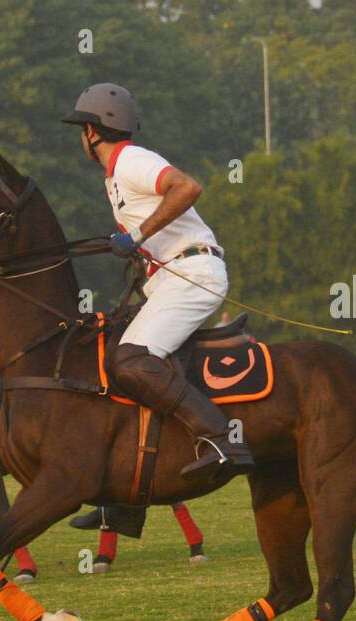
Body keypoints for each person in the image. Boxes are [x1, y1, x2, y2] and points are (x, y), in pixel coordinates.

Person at [62, 83, 253, 480]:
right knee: (110, 352)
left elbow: (187, 187)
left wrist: (136, 236)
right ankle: (125, 487)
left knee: (130, 359)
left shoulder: (131, 160)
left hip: (191, 274)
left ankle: (221, 437)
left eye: (83, 129)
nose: (81, 138)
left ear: (94, 131)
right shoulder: (113, 178)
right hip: (170, 278)